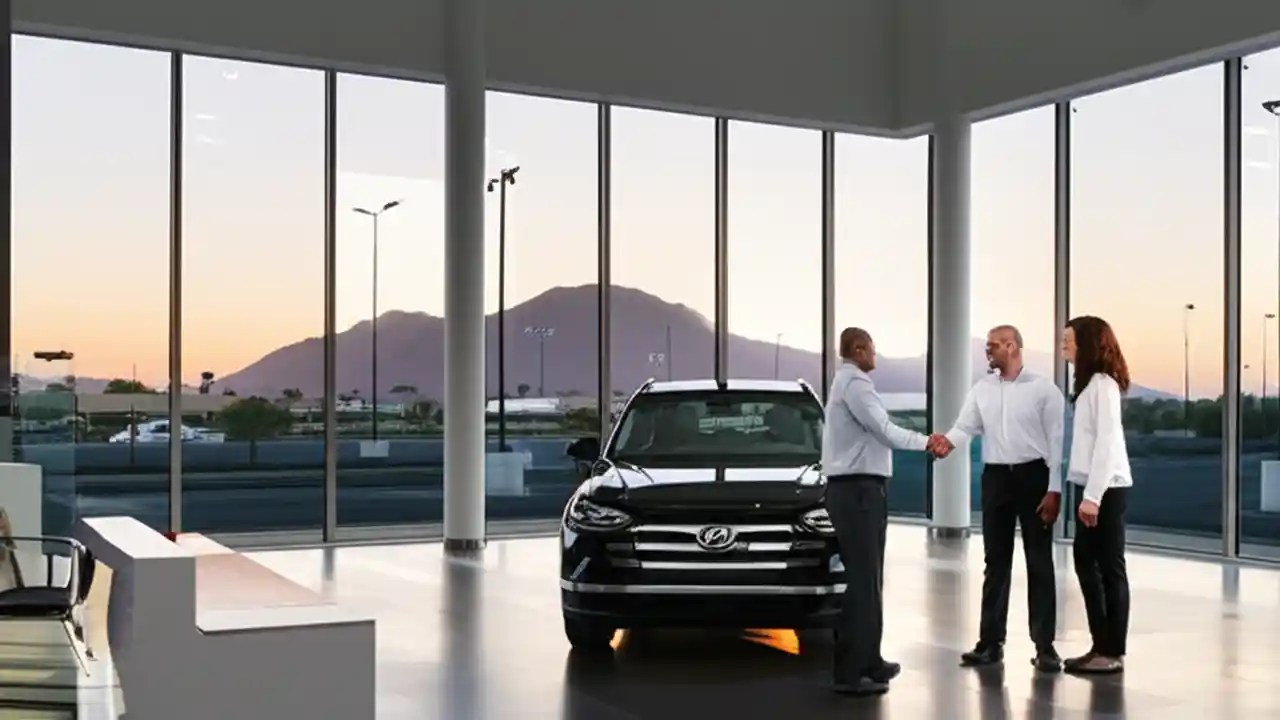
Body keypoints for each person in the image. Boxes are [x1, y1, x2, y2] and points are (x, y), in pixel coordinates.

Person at [821, 327, 947, 696]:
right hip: (858, 491)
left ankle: (870, 661)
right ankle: (850, 672)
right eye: (873, 349)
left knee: (870, 580)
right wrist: (928, 442)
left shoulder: (844, 383)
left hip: (858, 491)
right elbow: (885, 430)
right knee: (863, 582)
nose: (875, 355)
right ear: (859, 350)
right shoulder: (857, 384)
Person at [931, 325, 1065, 672]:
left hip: (1034, 477)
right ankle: (991, 643)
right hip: (996, 480)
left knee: (1039, 560)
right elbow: (965, 427)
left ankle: (1045, 646)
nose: (987, 351)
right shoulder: (982, 389)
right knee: (996, 562)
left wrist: (1054, 489)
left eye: (992, 346)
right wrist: (947, 442)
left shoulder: (1043, 390)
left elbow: (1056, 444)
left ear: (1012, 346)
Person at [1060, 315, 1133, 674]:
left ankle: (1111, 652)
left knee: (1107, 569)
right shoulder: (1090, 385)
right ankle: (1101, 646)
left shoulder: (1103, 385)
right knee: (1089, 565)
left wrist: (1093, 496)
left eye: (1068, 339)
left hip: (1105, 489)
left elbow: (1107, 441)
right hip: (1092, 487)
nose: (1063, 344)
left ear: (1086, 343)